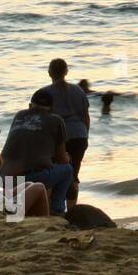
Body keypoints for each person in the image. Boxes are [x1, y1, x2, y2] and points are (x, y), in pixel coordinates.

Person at [0, 89, 74, 215]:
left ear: (30, 106)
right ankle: (57, 210)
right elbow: (62, 159)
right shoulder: (56, 120)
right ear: (51, 109)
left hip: (2, 176)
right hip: (29, 178)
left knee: (47, 167)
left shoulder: (19, 115)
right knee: (67, 170)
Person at [38, 58, 90, 205]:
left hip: (59, 137)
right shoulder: (78, 90)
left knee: (54, 172)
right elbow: (86, 116)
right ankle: (72, 209)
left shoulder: (44, 93)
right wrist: (86, 135)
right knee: (73, 174)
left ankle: (50, 207)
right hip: (79, 136)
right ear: (66, 71)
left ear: (49, 73)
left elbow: (41, 119)